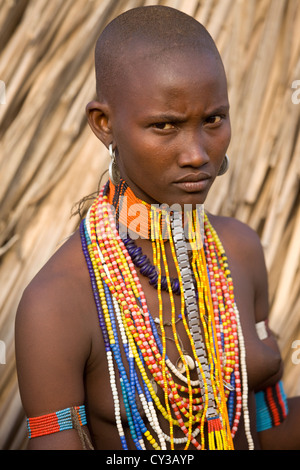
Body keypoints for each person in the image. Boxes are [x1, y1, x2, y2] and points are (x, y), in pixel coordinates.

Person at [15, 5, 300, 451]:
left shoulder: (241, 250)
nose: (196, 153)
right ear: (104, 124)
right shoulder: (56, 304)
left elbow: (263, 427)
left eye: (213, 120)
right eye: (164, 125)